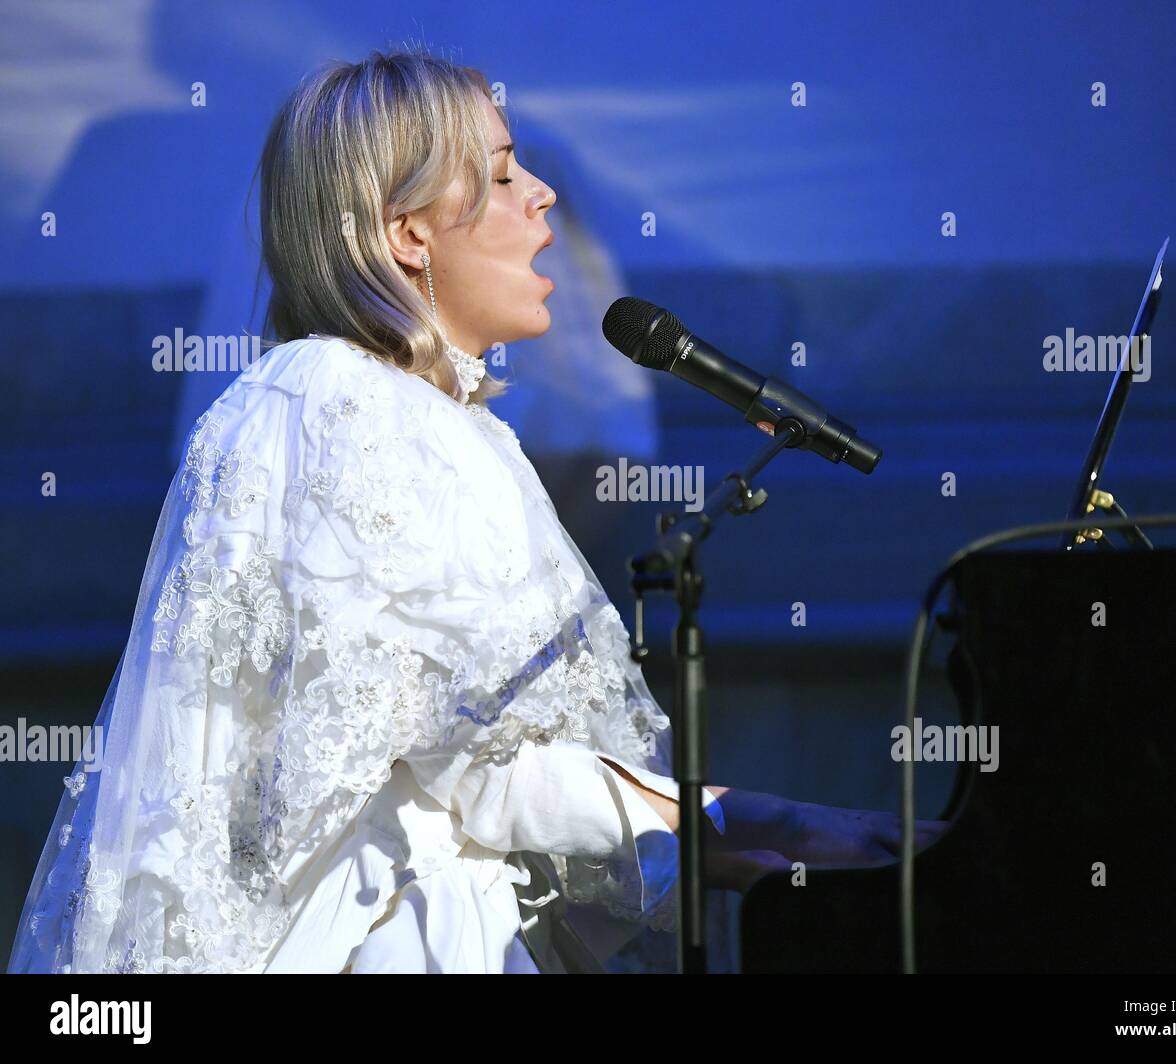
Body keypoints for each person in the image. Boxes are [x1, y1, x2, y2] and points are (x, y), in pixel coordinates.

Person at [8, 46, 943, 975]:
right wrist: (769, 821)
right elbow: (484, 765)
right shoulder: (344, 400)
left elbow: (466, 762)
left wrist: (749, 842)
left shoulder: (406, 411)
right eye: (501, 175)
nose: (541, 196)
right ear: (406, 232)